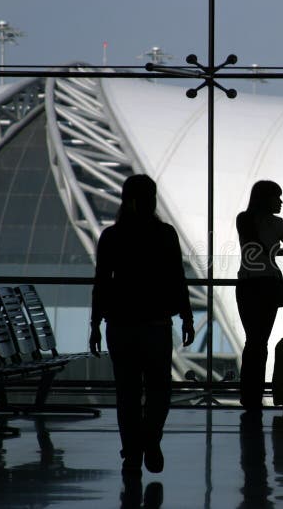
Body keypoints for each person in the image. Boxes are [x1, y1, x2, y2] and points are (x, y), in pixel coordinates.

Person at [89, 174, 195, 477]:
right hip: (155, 324)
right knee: (160, 390)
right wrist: (186, 316)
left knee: (128, 393)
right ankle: (151, 439)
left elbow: (101, 283)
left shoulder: (111, 236)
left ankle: (132, 452)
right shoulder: (164, 234)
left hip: (120, 325)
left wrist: (95, 323)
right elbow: (177, 277)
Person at [236, 180, 283, 412]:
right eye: (276, 197)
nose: (280, 201)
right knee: (260, 341)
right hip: (268, 285)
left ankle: (249, 395)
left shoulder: (244, 219)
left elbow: (254, 246)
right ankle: (254, 393)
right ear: (265, 198)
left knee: (254, 341)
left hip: (249, 284)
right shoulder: (277, 225)